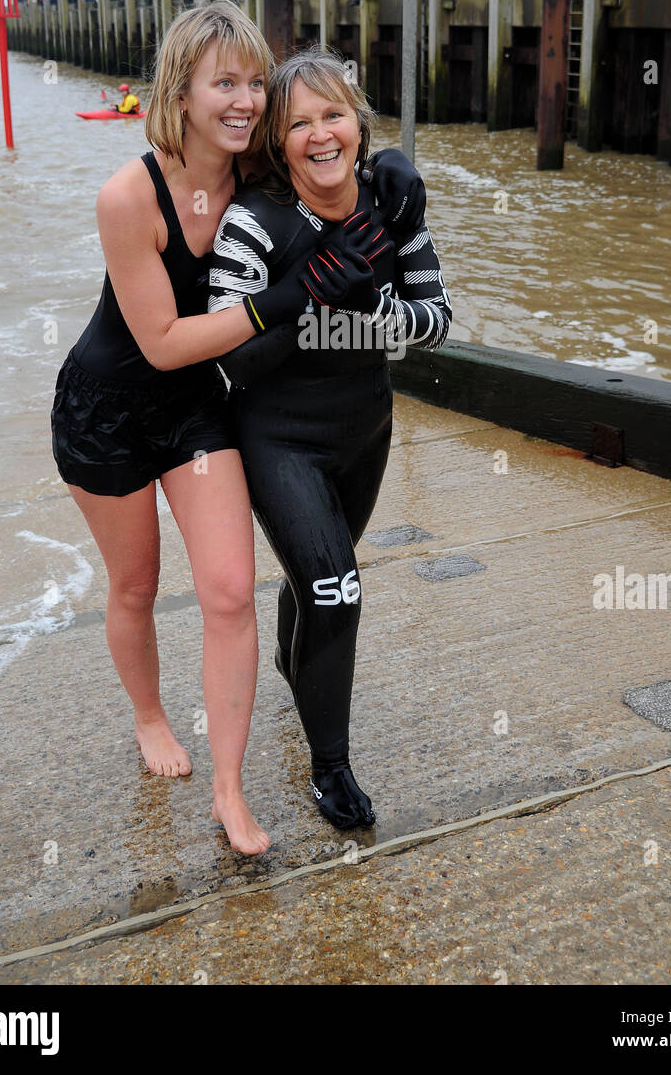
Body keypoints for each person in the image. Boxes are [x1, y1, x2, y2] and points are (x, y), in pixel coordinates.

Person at [50, 1, 357, 856]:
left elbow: (333, 156)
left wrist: (395, 182)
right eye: (225, 82)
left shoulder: (258, 172)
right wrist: (280, 303)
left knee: (227, 589)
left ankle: (228, 789)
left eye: (256, 82)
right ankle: (150, 718)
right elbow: (164, 340)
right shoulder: (128, 196)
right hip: (106, 408)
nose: (247, 101)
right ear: (180, 90)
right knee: (136, 587)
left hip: (193, 407)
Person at [207, 48, 449, 830]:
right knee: (337, 590)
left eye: (333, 115)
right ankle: (331, 768)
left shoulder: (392, 202)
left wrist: (373, 315)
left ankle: (293, 664)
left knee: (318, 579)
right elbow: (232, 361)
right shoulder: (253, 222)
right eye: (298, 123)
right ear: (277, 141)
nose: (319, 135)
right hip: (280, 437)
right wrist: (308, 293)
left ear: (358, 123)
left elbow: (436, 318)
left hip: (363, 432)